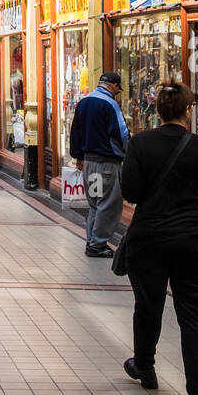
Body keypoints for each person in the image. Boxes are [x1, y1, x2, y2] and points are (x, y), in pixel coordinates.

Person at [121, 81, 198, 395]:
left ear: (158, 111)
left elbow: (130, 191)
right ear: (187, 111)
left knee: (148, 307)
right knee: (195, 319)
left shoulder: (140, 143)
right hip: (193, 242)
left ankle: (144, 366)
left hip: (149, 241)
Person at [69, 71, 129, 258]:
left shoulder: (84, 102)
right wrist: (129, 153)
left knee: (95, 202)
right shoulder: (110, 104)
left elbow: (75, 132)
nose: (117, 93)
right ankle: (97, 244)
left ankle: (92, 240)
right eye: (118, 89)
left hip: (89, 162)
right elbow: (122, 134)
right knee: (108, 203)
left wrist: (78, 156)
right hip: (107, 164)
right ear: (113, 85)